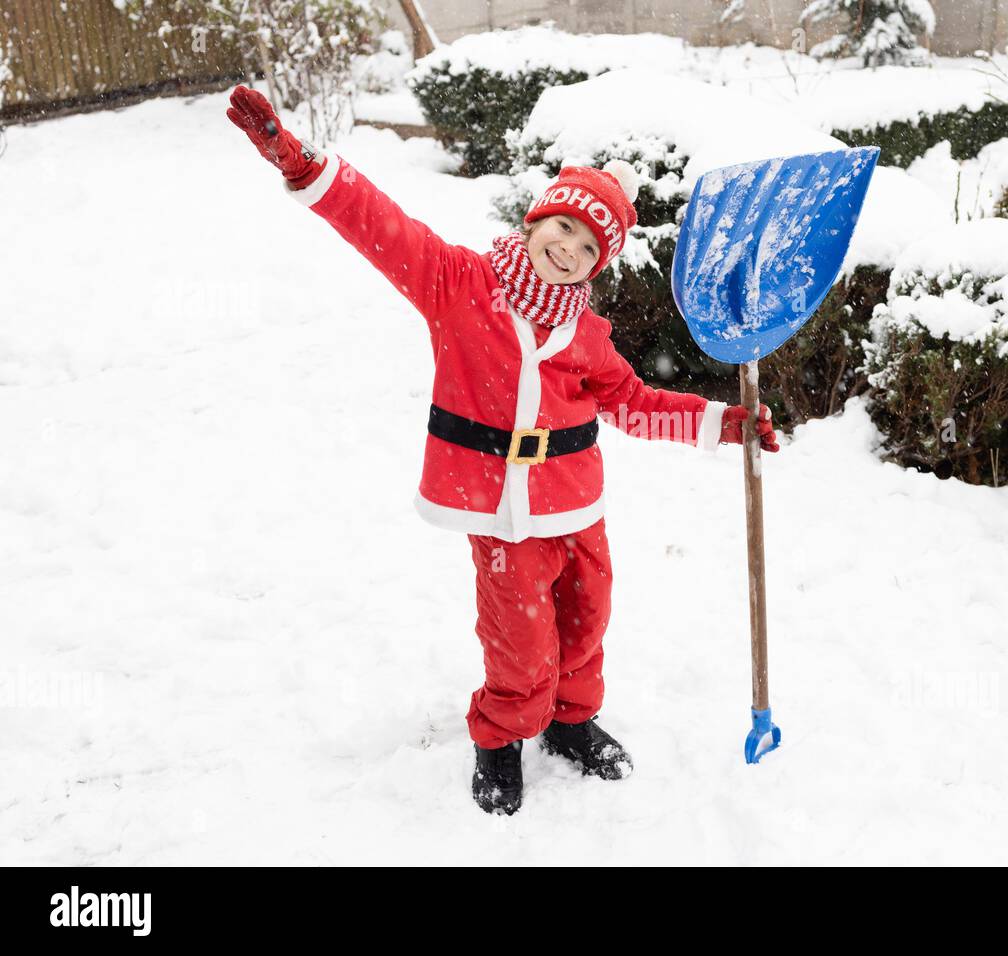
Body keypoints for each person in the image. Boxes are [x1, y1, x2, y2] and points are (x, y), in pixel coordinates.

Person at [226, 86, 780, 815]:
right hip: (503, 512)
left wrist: (727, 422)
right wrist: (302, 166)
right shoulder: (461, 285)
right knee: (519, 641)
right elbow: (382, 226)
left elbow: (636, 405)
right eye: (563, 228)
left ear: (596, 265)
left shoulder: (588, 336)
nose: (569, 250)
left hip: (578, 504)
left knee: (586, 627)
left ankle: (571, 723)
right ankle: (500, 736)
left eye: (589, 248)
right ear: (535, 219)